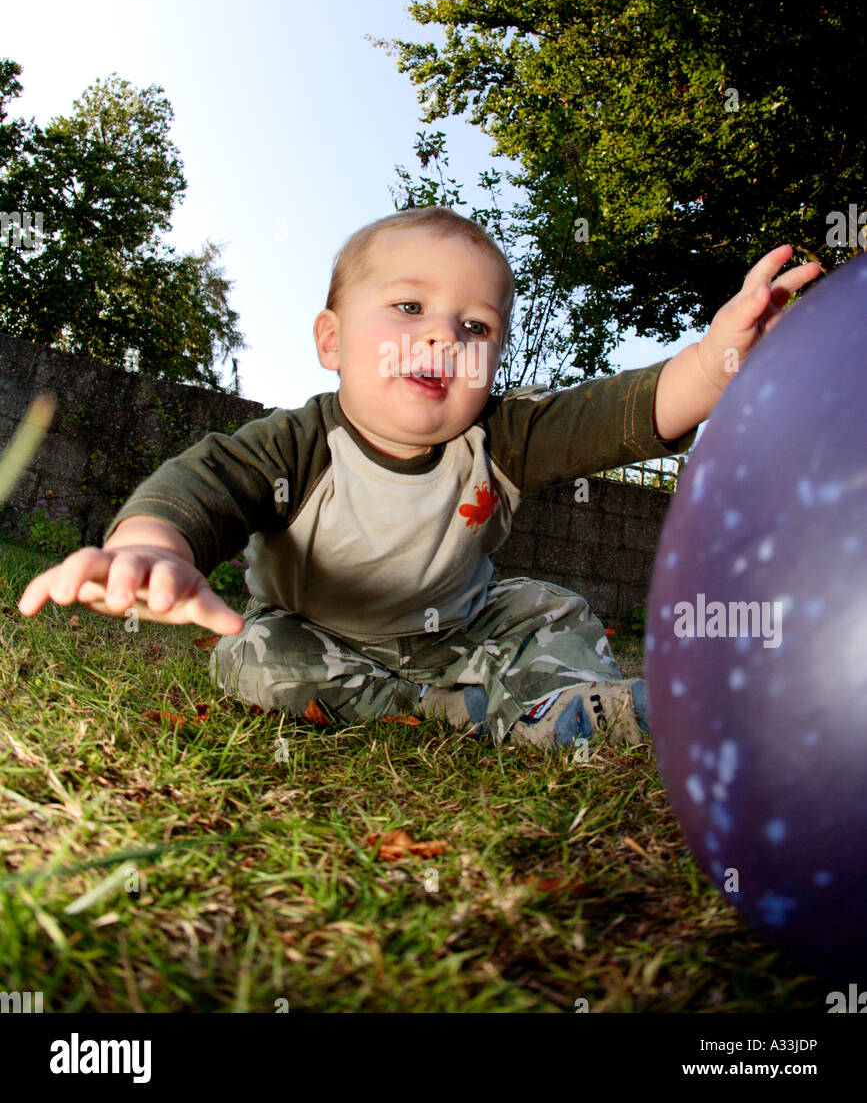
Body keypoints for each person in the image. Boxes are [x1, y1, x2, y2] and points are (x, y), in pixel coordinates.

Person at [17, 209, 821, 750]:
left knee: (549, 606)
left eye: (475, 327)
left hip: (464, 633)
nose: (443, 333)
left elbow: (621, 412)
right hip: (324, 638)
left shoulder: (503, 438)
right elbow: (202, 484)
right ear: (331, 340)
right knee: (254, 654)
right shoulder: (295, 444)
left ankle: (565, 704)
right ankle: (423, 712)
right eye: (408, 307)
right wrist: (152, 549)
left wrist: (717, 363)